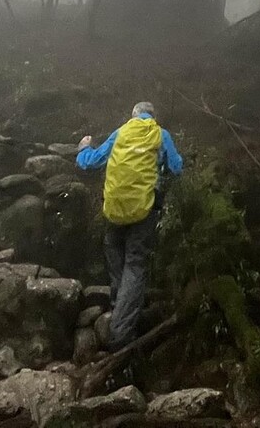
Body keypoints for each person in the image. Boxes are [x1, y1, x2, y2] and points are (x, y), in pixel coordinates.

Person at [75, 100, 183, 349]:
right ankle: (121, 335)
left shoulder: (120, 132)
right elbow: (176, 169)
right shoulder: (160, 134)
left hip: (114, 210)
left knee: (117, 258)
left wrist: (83, 147)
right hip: (143, 211)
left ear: (133, 115)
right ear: (153, 116)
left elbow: (89, 162)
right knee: (135, 265)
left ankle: (117, 311)